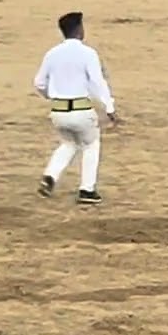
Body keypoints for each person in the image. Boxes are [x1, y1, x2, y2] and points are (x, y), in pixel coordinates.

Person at [33, 11, 117, 204]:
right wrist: (109, 107)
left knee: (68, 143)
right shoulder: (88, 53)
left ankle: (50, 176)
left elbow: (39, 83)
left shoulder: (52, 53)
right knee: (91, 145)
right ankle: (87, 189)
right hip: (81, 110)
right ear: (79, 30)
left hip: (58, 111)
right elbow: (97, 82)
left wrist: (52, 96)